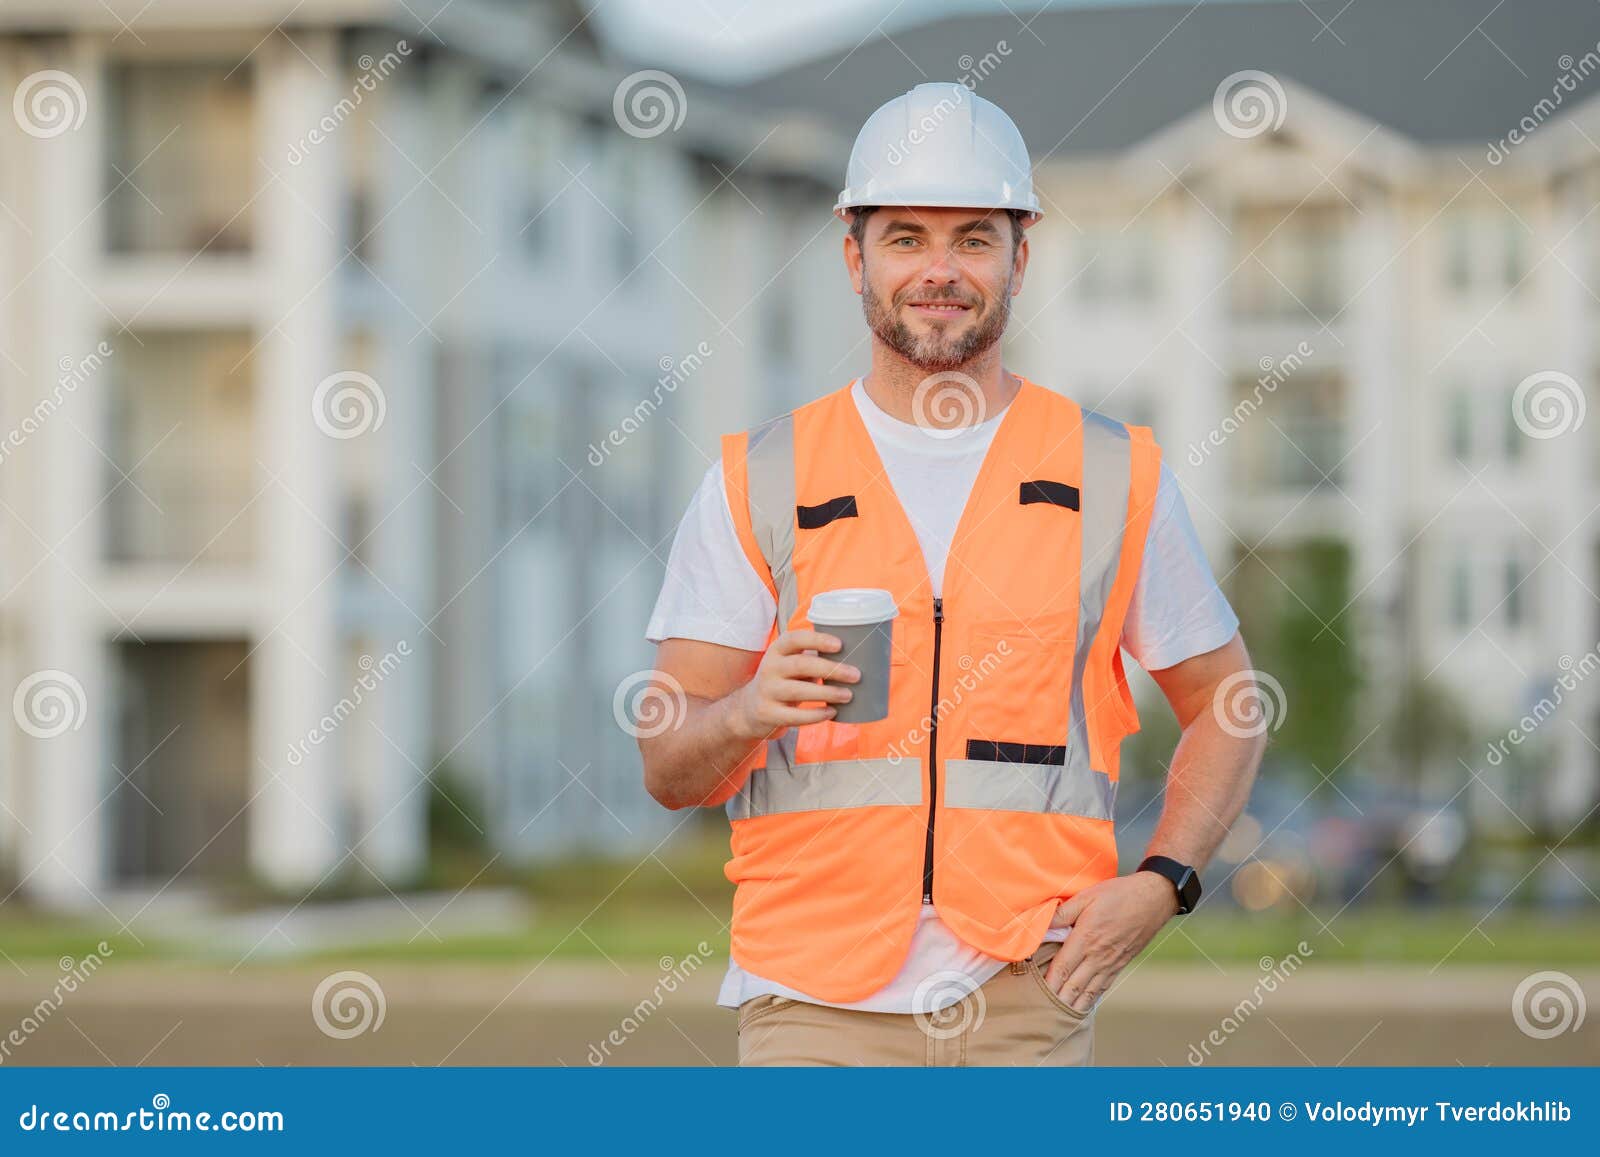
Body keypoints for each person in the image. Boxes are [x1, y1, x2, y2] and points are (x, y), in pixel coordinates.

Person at [640, 82, 1266, 1066]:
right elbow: (667, 761)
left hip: (1030, 998)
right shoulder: (760, 477)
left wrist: (1166, 881)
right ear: (854, 255)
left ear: (1023, 253)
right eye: (906, 239)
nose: (940, 270)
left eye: (973, 238)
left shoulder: (1113, 474)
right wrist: (748, 710)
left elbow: (1229, 703)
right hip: (811, 1002)